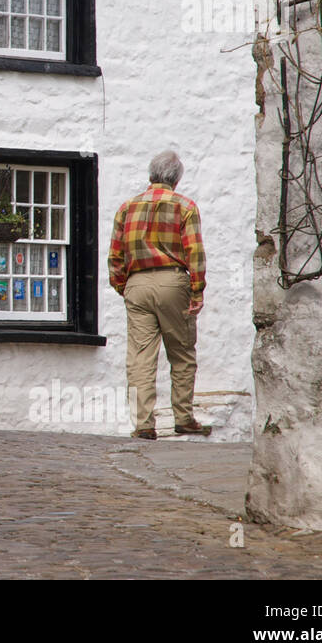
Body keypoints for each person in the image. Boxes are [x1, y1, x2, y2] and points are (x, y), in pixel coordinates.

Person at [108, 150, 209, 441]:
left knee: (140, 357)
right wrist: (197, 290)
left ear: (151, 174)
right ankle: (183, 417)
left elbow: (115, 254)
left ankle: (143, 423)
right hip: (172, 283)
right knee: (182, 353)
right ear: (176, 178)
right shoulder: (185, 206)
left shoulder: (127, 207)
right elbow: (194, 251)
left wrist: (123, 286)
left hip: (137, 283)